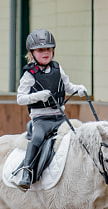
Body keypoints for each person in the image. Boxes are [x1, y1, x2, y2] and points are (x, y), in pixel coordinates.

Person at [13, 28, 87, 190]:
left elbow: (68, 86)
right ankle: (27, 171)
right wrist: (38, 96)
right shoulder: (29, 74)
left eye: (48, 49)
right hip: (41, 119)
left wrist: (79, 89)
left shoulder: (57, 69)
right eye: (40, 50)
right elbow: (20, 99)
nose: (45, 52)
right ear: (32, 53)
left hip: (59, 118)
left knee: (77, 136)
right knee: (38, 138)